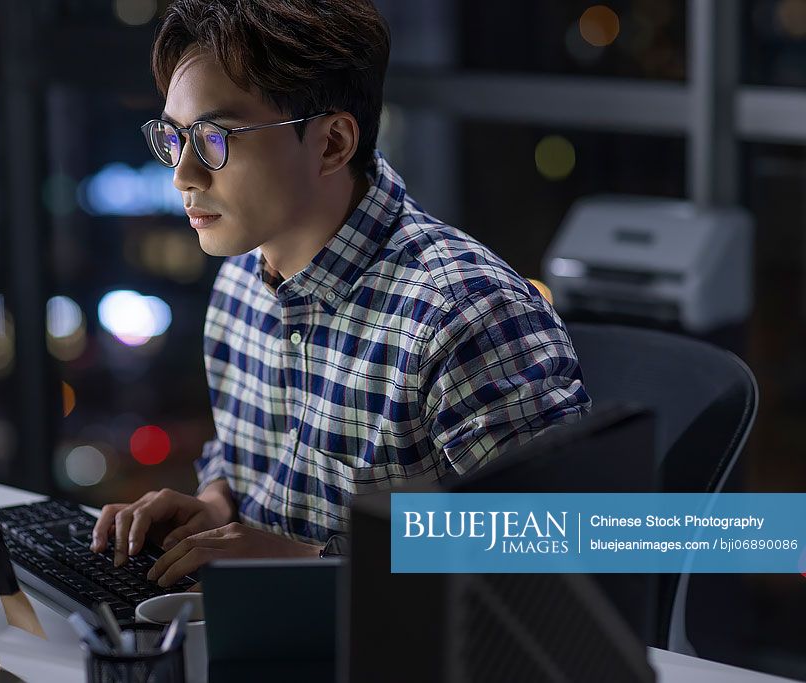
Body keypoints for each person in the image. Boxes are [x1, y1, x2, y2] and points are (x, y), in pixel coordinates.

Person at [91, 0, 591, 588]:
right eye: (175, 138)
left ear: (332, 144)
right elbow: (254, 459)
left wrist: (314, 566)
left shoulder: (461, 311)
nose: (183, 175)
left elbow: (565, 551)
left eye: (215, 138)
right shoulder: (241, 281)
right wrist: (216, 504)